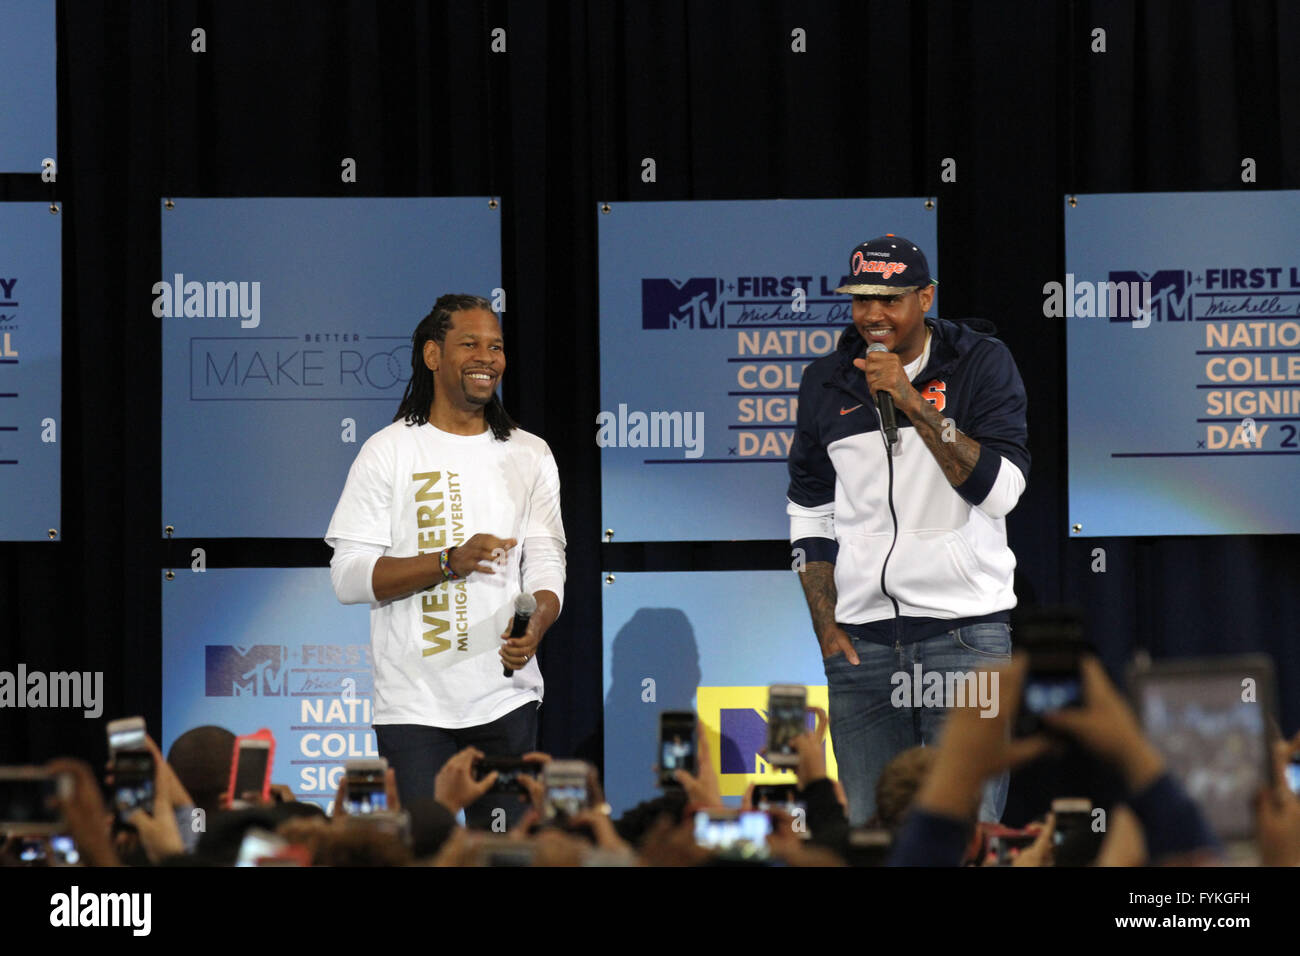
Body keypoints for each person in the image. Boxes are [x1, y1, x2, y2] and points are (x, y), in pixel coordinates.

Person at [786, 235, 1029, 826]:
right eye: (861, 299)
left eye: (890, 299)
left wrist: (914, 404)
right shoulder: (827, 381)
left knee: (966, 835)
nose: (873, 314)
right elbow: (810, 508)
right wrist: (825, 622)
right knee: (872, 838)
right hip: (862, 648)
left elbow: (1001, 493)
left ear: (926, 297)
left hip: (965, 640)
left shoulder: (979, 363)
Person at [325, 293, 566, 827]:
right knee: (419, 854)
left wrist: (540, 621)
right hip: (414, 708)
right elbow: (347, 577)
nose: (488, 357)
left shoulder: (531, 453)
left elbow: (546, 558)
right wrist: (448, 562)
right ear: (433, 356)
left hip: (506, 701)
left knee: (506, 859)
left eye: (496, 346)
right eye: (470, 344)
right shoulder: (389, 451)